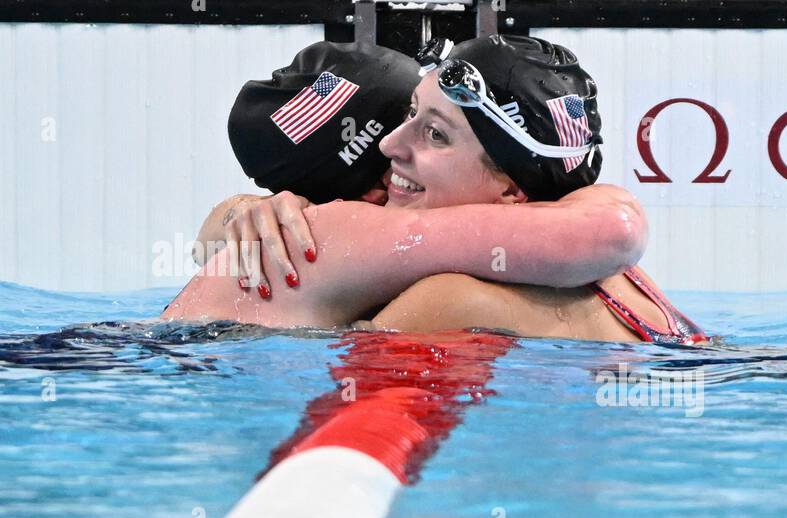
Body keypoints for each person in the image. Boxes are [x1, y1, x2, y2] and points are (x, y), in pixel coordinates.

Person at [164, 37, 706, 344]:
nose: (391, 148)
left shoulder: (446, 296)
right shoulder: (623, 277)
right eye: (410, 116)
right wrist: (241, 211)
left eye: (435, 133)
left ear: (513, 191)